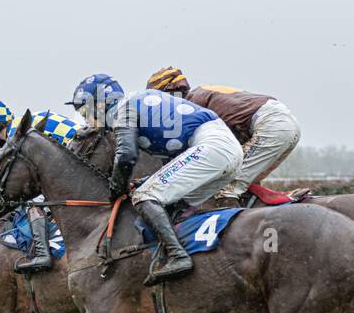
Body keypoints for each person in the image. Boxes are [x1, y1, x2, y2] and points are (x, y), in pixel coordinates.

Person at [69, 73, 242, 284]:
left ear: (101, 103)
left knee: (144, 196)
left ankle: (178, 255)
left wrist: (116, 189)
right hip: (222, 148)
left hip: (212, 146)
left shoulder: (123, 110)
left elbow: (125, 156)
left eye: (87, 112)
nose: (87, 120)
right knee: (172, 204)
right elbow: (171, 163)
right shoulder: (136, 103)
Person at [145, 67, 301, 208]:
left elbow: (191, 156)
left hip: (271, 125)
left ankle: (233, 234)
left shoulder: (191, 105)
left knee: (225, 188)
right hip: (283, 122)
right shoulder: (201, 94)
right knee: (242, 181)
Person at [0, 100, 83, 273]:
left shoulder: (15, 134)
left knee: (33, 202)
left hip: (80, 159)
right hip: (78, 156)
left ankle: (43, 254)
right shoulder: (19, 127)